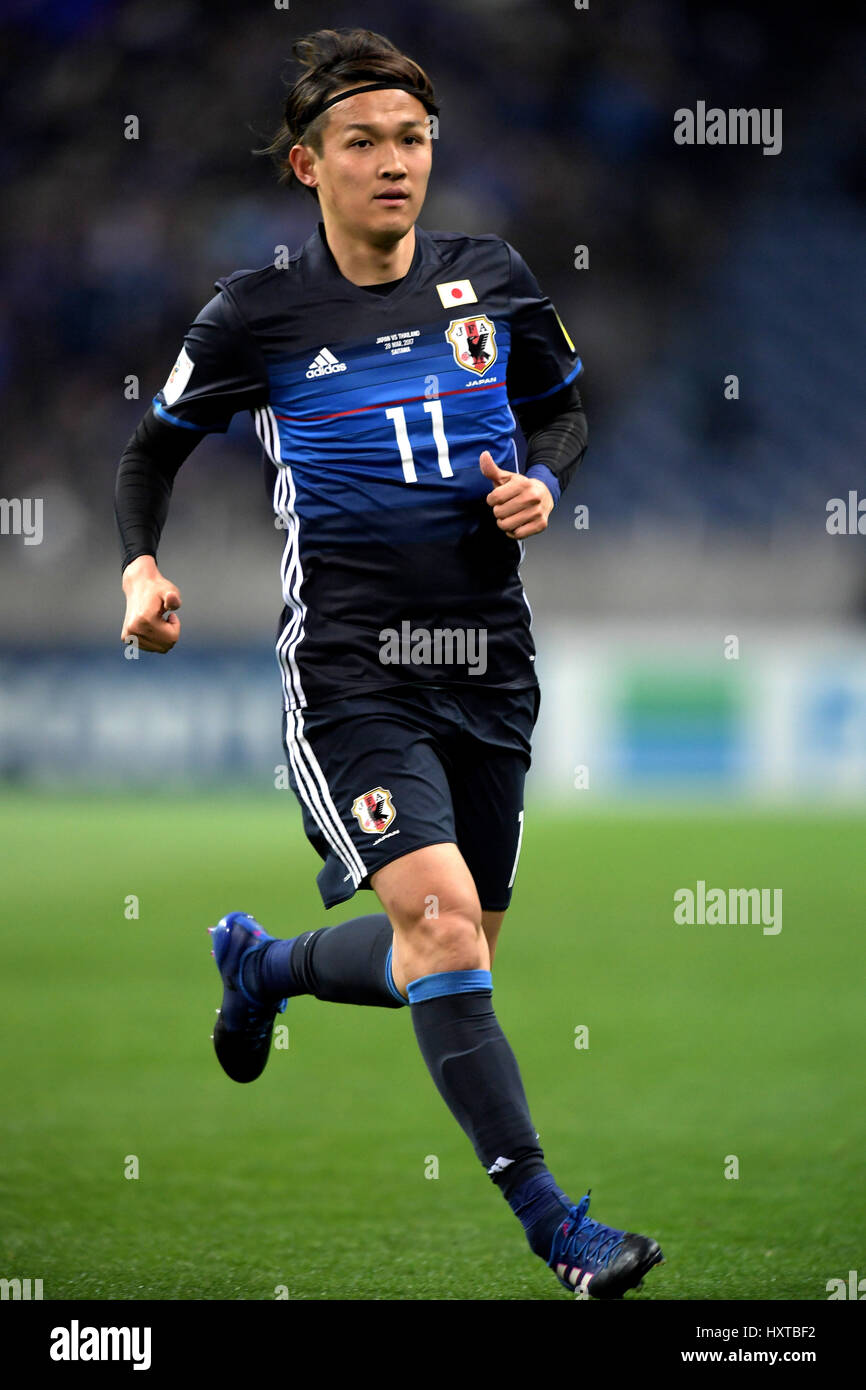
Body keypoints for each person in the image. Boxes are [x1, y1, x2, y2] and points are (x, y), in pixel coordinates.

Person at [114, 26, 663, 1300]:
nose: (394, 161)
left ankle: (265, 967)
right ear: (308, 165)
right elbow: (151, 451)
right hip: (351, 671)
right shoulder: (256, 313)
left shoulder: (493, 278)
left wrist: (539, 477)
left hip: (491, 664)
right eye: (362, 141)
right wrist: (141, 568)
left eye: (412, 137)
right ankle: (555, 1228)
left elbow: (569, 404)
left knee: (451, 947)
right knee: (439, 919)